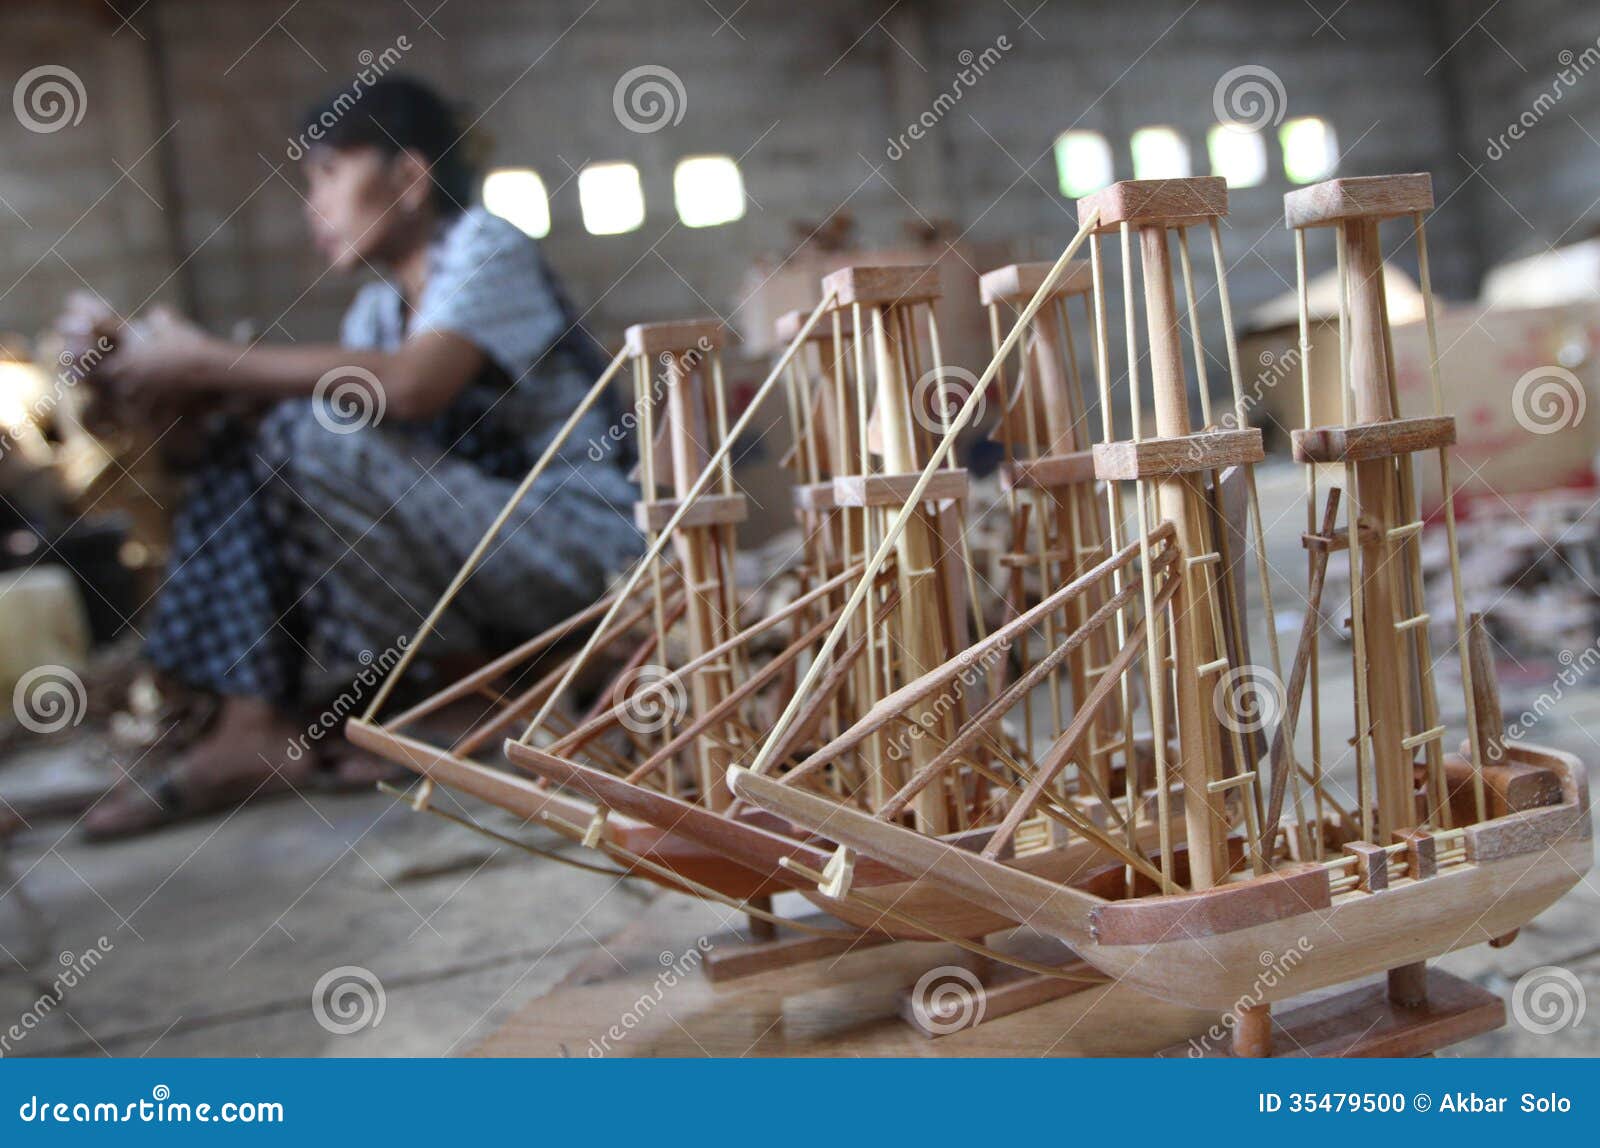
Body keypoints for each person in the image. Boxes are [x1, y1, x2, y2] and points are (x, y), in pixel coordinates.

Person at [58, 77, 640, 839]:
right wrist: (137, 380)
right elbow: (269, 455)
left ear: (408, 178)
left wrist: (207, 362)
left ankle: (454, 696)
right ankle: (249, 719)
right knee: (273, 432)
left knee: (311, 427)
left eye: (329, 174)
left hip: (583, 547)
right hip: (487, 552)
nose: (313, 207)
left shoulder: (484, 247)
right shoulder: (376, 310)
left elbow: (411, 388)